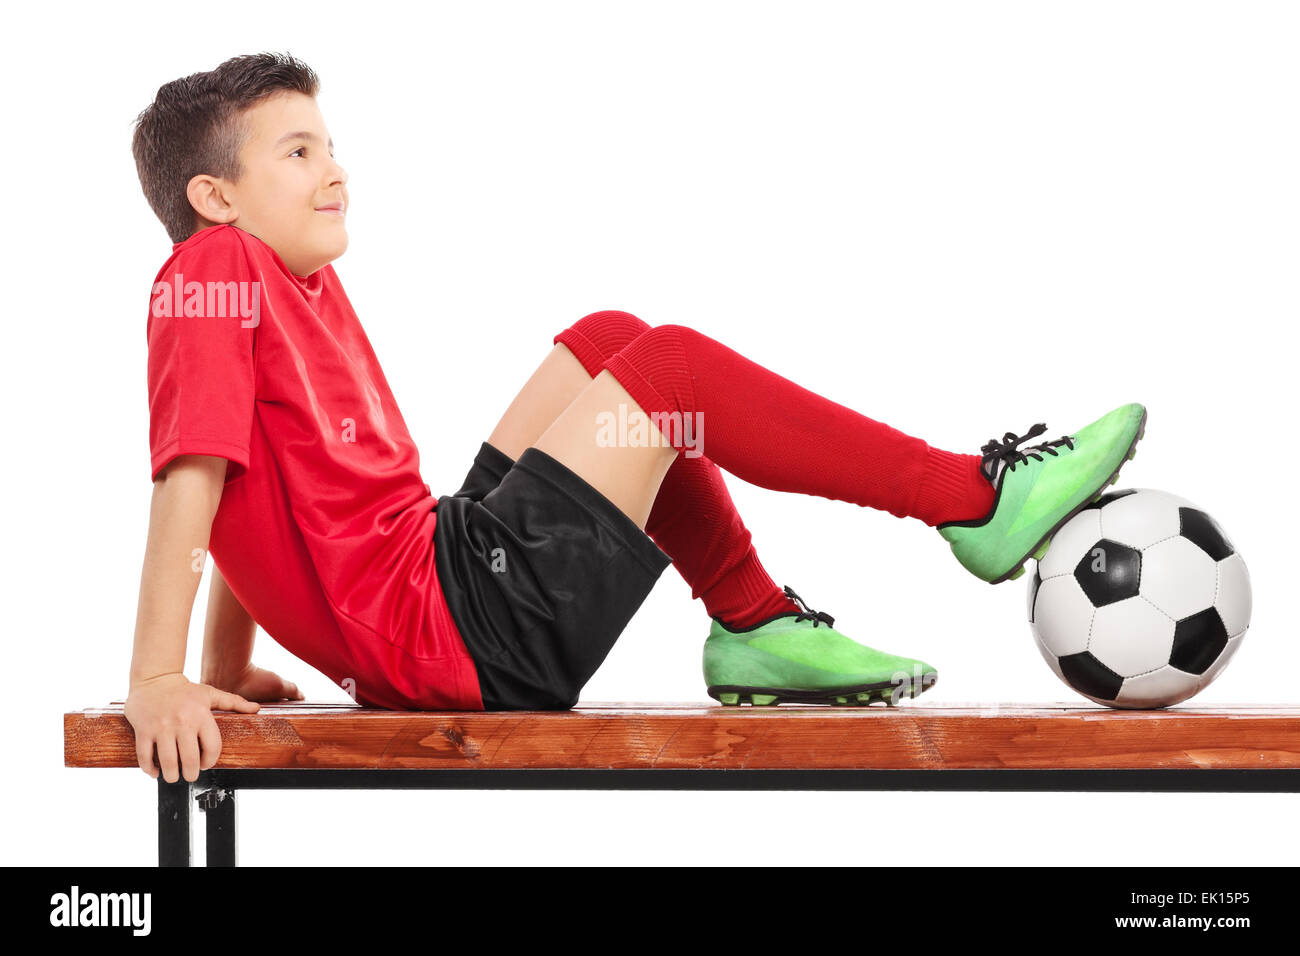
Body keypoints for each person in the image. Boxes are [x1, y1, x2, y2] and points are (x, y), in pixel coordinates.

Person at [124, 52, 1146, 784]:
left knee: (608, 342)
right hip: (460, 631)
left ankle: (753, 624)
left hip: (440, 583)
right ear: (214, 196)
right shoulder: (210, 272)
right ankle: (969, 498)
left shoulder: (272, 278)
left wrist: (223, 669)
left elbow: (255, 483)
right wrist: (158, 676)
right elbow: (195, 473)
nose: (336, 170)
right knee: (666, 371)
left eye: (330, 144)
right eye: (298, 152)